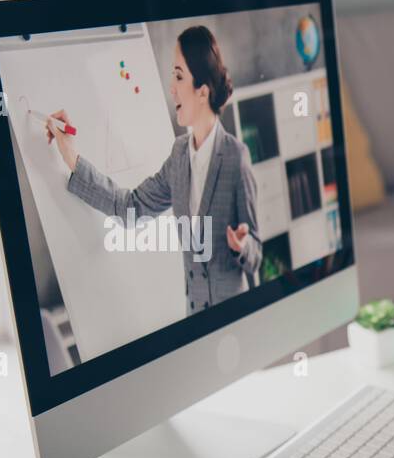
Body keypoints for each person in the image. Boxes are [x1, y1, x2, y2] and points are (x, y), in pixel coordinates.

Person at [48, 25, 261, 315]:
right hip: (196, 321)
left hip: (235, 320)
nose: (171, 88)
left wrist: (242, 245)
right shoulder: (179, 156)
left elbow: (256, 256)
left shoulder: (236, 157)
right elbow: (129, 207)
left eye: (178, 76)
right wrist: (71, 156)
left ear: (202, 92)